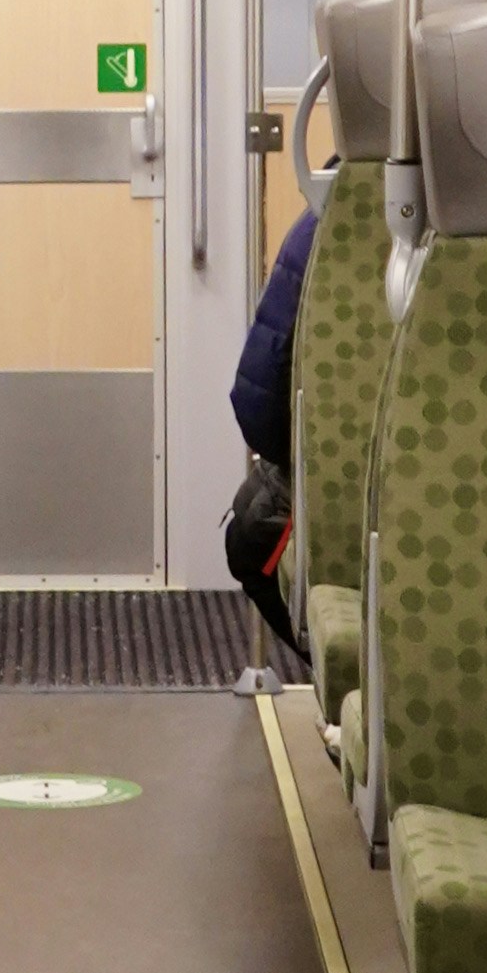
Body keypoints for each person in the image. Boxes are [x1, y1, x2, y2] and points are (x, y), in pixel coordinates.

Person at [221, 193, 316, 654]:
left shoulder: (329, 219)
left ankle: (349, 688)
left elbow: (260, 401)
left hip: (332, 475)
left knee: (251, 534)